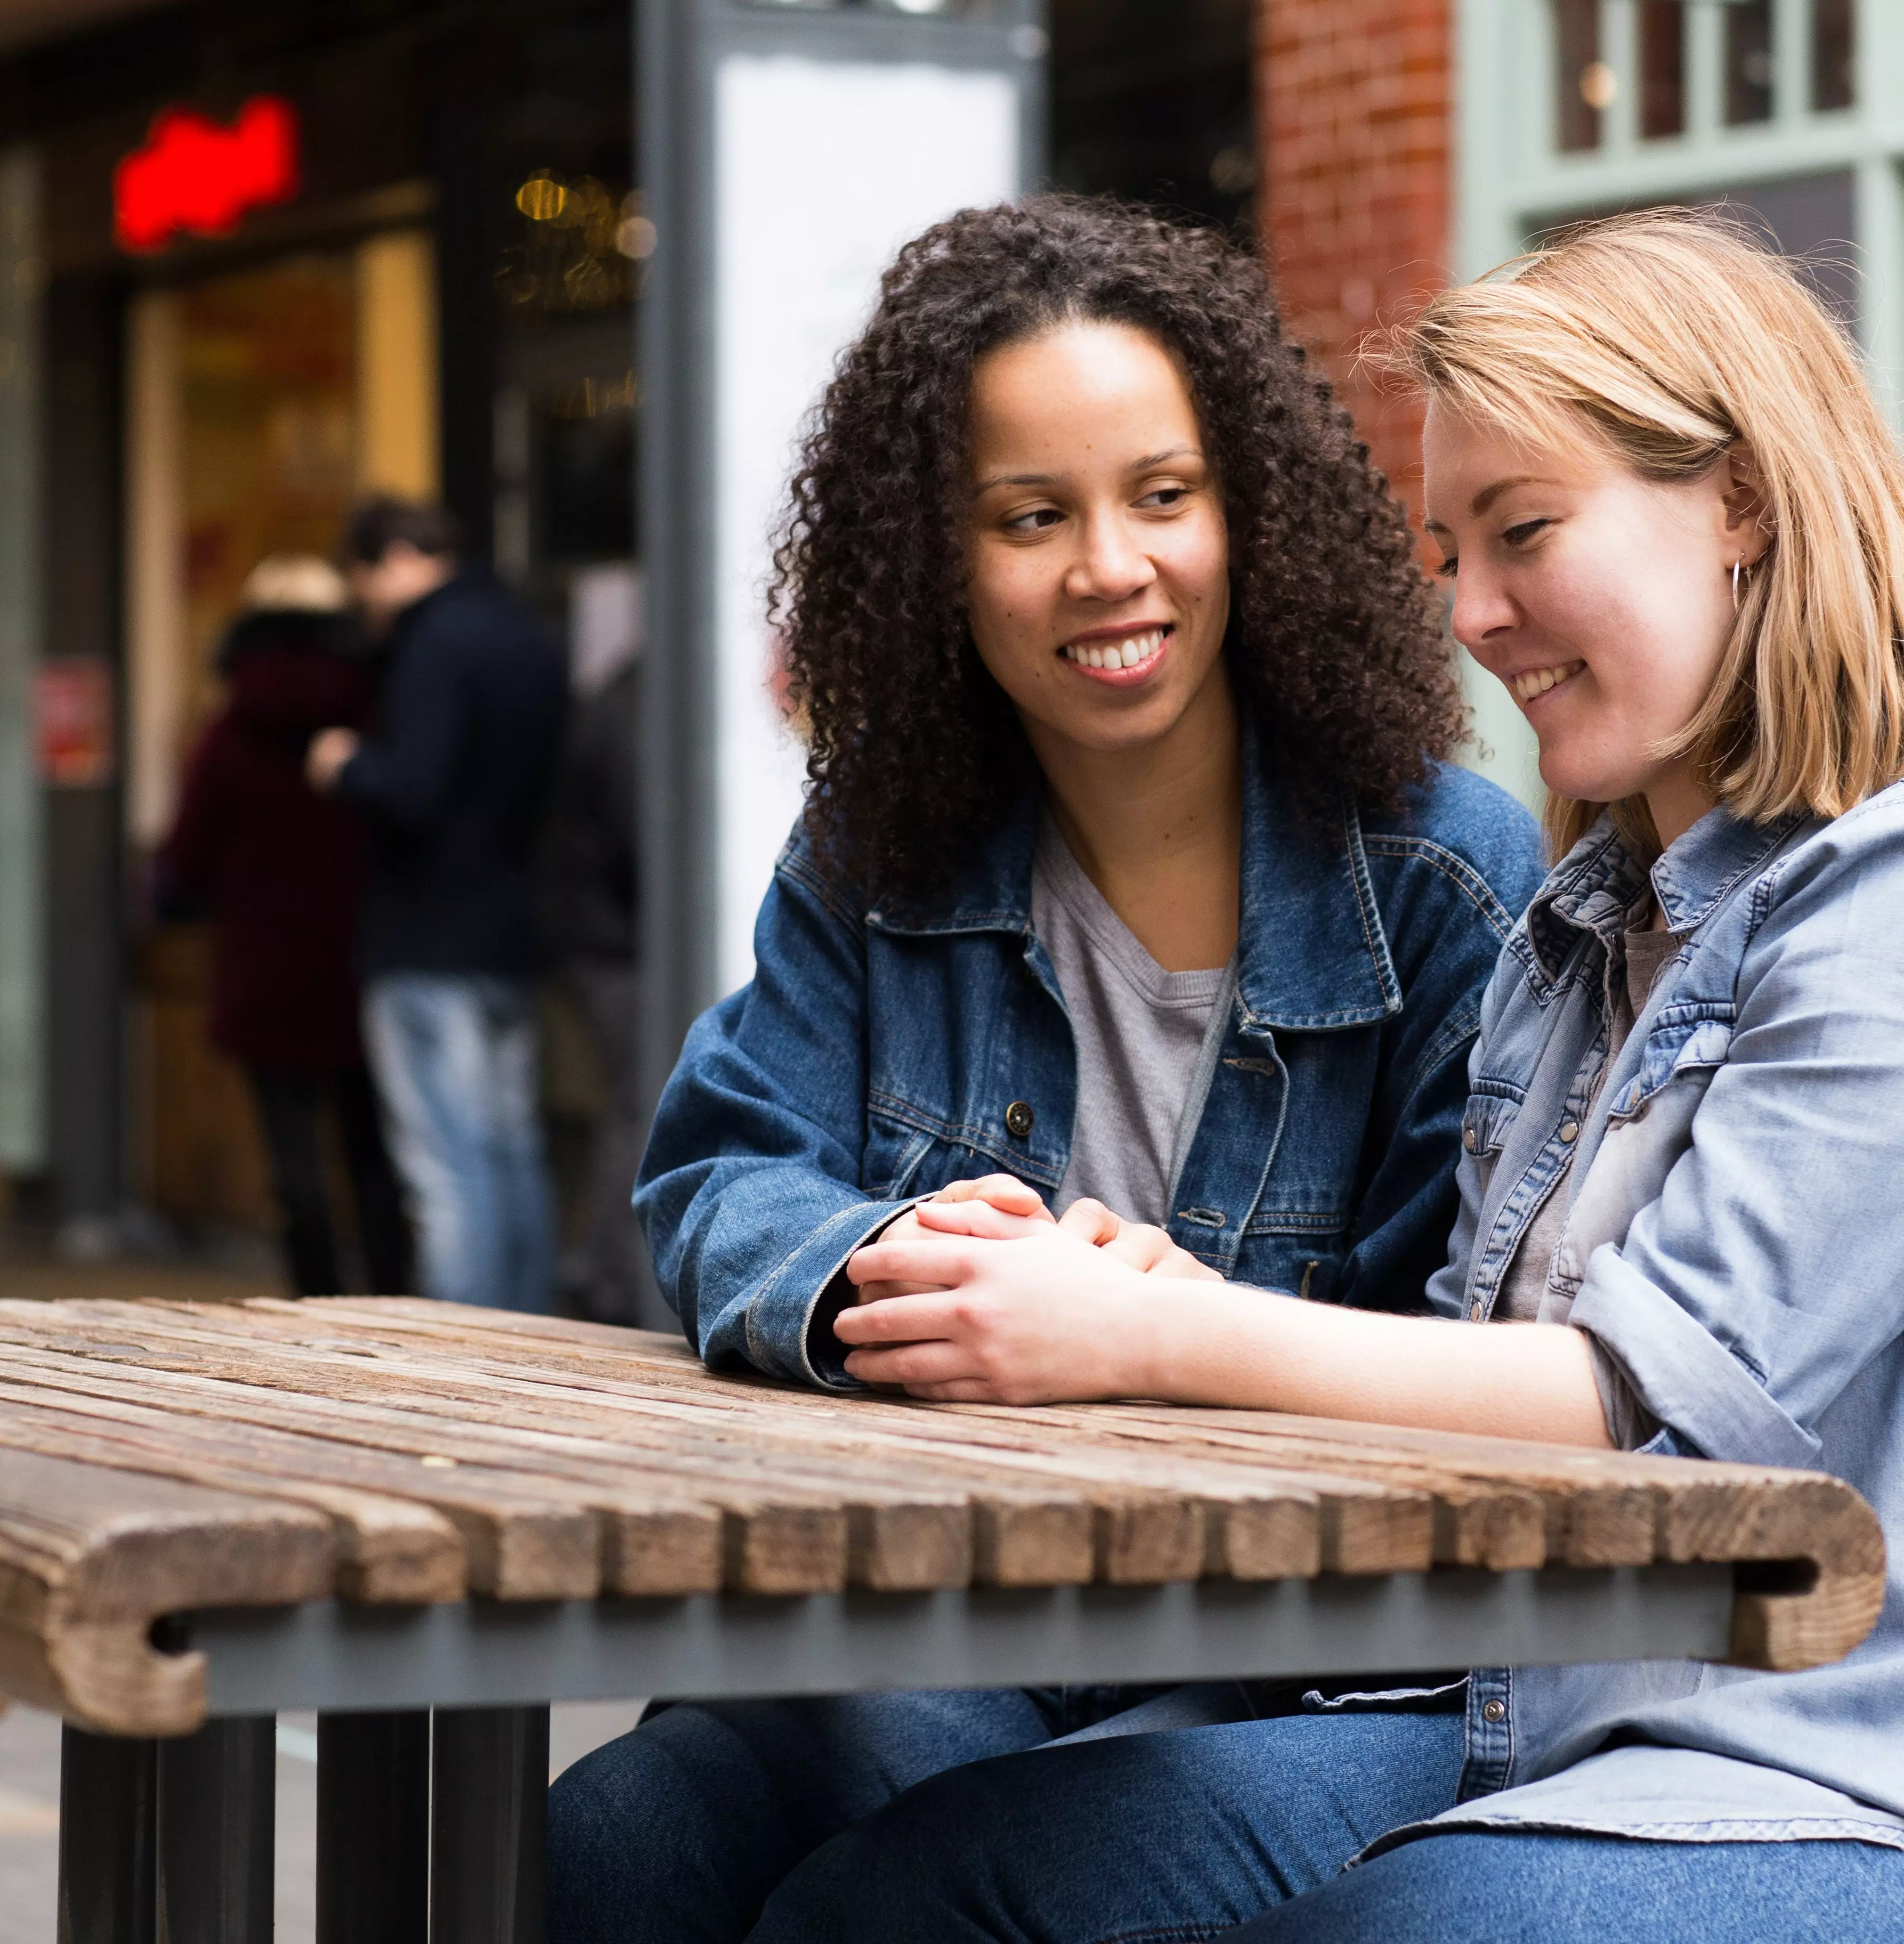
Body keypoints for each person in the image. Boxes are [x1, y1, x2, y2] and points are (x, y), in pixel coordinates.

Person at [749, 209, 1904, 1942]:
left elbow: (1652, 1399)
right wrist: (1161, 1291)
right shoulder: (1576, 939)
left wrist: (1157, 1336)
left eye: (1524, 532)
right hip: (1560, 1735)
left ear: (1741, 501)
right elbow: (1479, 1410)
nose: (1470, 612)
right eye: (1449, 548)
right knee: (921, 1889)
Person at [547, 198, 1545, 1944]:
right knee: (611, 1833)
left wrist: (1160, 1342)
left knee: (902, 1880)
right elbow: (715, 1170)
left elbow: (1467, 1378)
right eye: (1032, 515)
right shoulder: (882, 850)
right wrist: (880, 1265)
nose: (1111, 565)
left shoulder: (1443, 876)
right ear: (939, 561)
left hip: (1288, 1666)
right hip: (970, 1618)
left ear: (1249, 508)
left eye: (1162, 494)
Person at [307, 498, 569, 1313]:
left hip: (428, 936)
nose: (367, 606)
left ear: (391, 559)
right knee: (512, 1147)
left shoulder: (430, 645)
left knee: (447, 1162)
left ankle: (464, 1338)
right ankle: (528, 1328)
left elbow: (415, 788)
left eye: (362, 583)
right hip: (514, 929)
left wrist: (346, 764)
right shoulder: (530, 637)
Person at [156, 555, 414, 1297]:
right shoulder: (377, 711)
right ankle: (392, 1299)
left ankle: (316, 1298)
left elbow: (186, 854)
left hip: (265, 963)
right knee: (375, 1152)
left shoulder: (228, 730)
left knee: (292, 1158)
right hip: (364, 958)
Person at [541, 593, 659, 1328]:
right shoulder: (642, 705)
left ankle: (609, 1277)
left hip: (605, 935)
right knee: (641, 1107)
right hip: (620, 943)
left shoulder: (624, 696)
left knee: (635, 1106)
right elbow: (642, 837)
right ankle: (613, 1286)